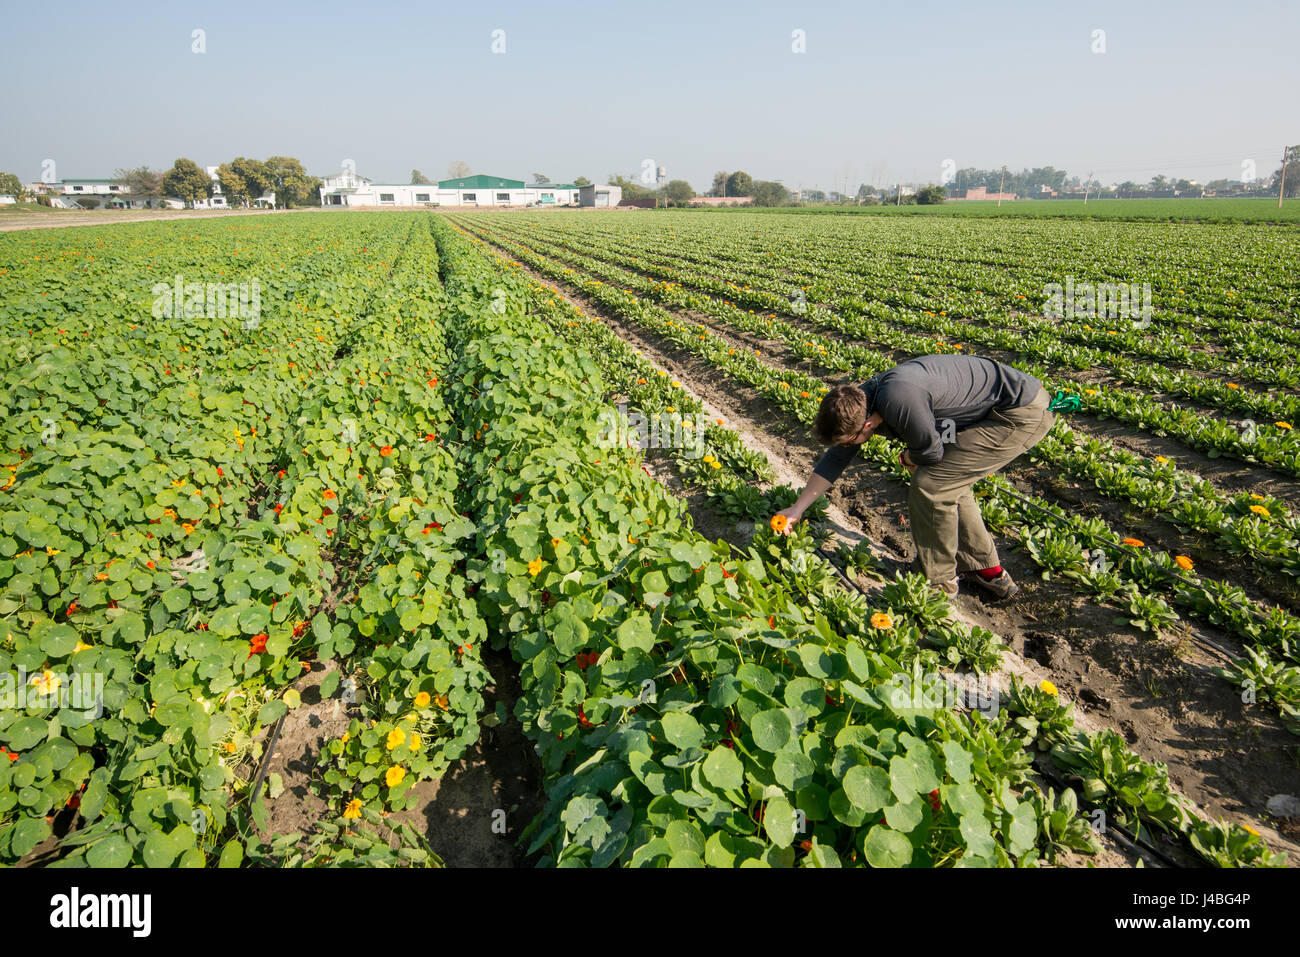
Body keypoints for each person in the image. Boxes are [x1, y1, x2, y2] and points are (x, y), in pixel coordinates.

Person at [774, 353, 1054, 599]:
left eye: (849, 441)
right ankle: (986, 569)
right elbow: (836, 458)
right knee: (948, 481)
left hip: (1019, 414)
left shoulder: (898, 399)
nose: (848, 447)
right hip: (989, 408)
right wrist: (798, 509)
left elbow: (930, 452)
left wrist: (909, 457)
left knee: (932, 485)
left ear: (867, 424)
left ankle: (939, 583)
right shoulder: (860, 402)